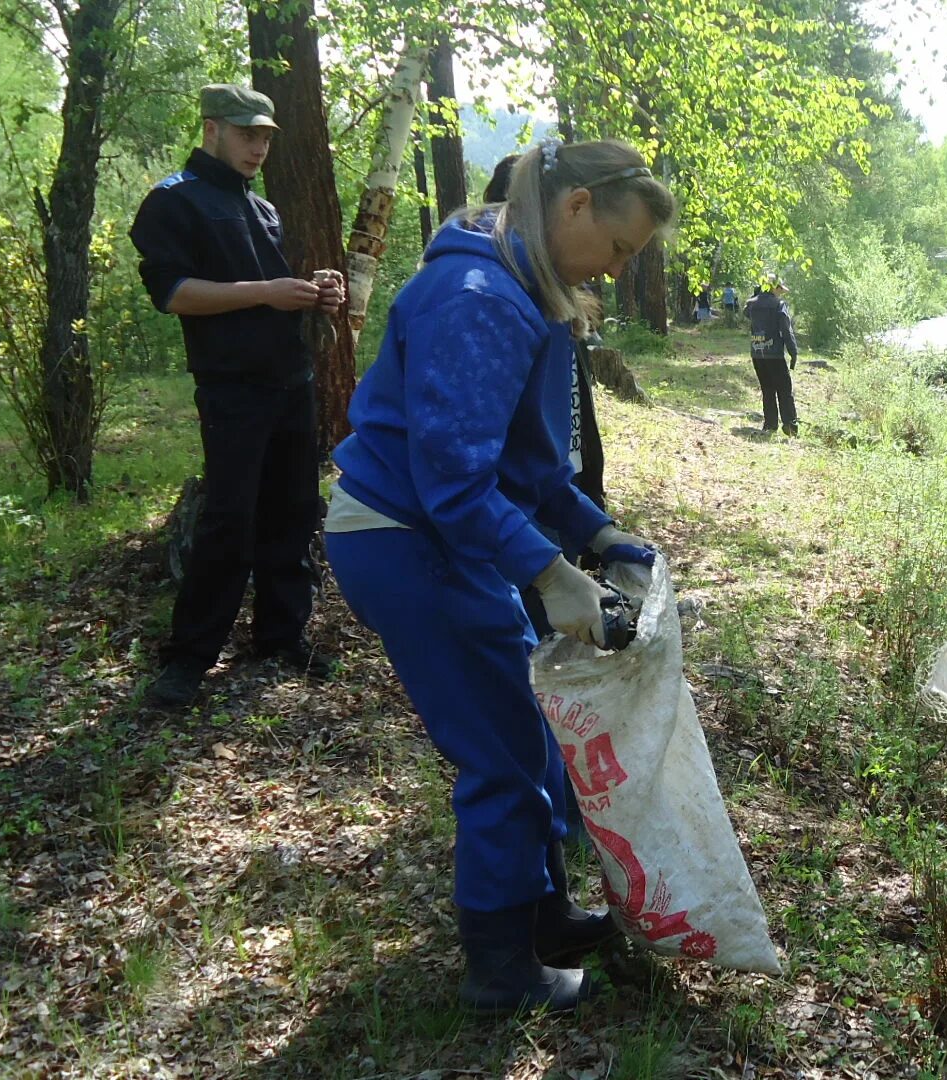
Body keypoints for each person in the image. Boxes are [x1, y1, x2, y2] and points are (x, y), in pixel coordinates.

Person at [322, 139, 674, 1013]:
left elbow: (534, 470)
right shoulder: (477, 297)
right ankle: (498, 966)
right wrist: (554, 576)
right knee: (503, 753)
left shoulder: (529, 286)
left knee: (531, 728)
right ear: (577, 205)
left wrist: (604, 537)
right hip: (406, 539)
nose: (620, 271)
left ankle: (542, 914)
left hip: (446, 535)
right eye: (621, 249)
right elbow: (453, 483)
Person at [129, 84, 347, 707]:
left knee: (293, 510)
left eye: (265, 138)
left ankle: (282, 636)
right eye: (247, 134)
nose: (258, 147)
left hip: (291, 381)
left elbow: (275, 293)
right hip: (232, 389)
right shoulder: (173, 202)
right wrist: (266, 291)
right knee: (228, 520)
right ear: (212, 129)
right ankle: (189, 659)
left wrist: (314, 292)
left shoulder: (263, 209)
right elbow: (174, 293)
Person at [744, 274, 799, 435]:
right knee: (784, 389)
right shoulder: (779, 304)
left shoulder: (751, 304)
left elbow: (746, 313)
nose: (781, 293)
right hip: (774, 354)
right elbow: (786, 330)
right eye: (779, 289)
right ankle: (790, 425)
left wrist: (756, 294)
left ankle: (770, 425)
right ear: (774, 288)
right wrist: (793, 351)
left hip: (757, 354)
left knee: (767, 390)